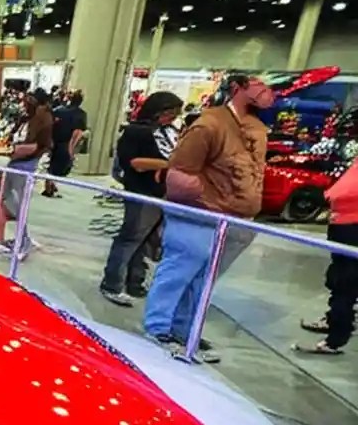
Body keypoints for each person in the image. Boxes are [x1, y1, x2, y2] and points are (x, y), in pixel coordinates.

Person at [143, 74, 273, 363]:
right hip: (201, 216)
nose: (266, 94)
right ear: (238, 89)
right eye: (259, 87)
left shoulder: (256, 129)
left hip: (235, 219)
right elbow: (180, 174)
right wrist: (207, 197)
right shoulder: (209, 125)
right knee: (179, 272)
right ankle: (158, 327)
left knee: (203, 279)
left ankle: (184, 328)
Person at [99, 91, 184, 306]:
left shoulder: (168, 132)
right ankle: (112, 283)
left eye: (175, 113)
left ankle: (134, 281)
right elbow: (134, 163)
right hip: (141, 191)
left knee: (145, 241)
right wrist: (169, 165)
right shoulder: (136, 132)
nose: (172, 117)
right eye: (169, 112)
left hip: (160, 192)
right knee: (130, 238)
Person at [0, 88, 53, 257]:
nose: (25, 103)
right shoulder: (29, 119)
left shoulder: (42, 120)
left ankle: (21, 242)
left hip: (24, 165)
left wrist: (19, 150)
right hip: (16, 163)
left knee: (16, 205)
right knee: (4, 201)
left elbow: (39, 146)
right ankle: (4, 239)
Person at [296, 160, 358, 355]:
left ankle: (337, 336)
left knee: (345, 282)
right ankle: (335, 323)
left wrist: (328, 196)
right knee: (341, 280)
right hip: (343, 224)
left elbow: (344, 191)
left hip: (351, 227)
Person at [43, 90, 87, 197]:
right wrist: (72, 148)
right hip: (67, 142)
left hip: (55, 140)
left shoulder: (58, 110)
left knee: (53, 165)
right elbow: (77, 133)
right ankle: (49, 187)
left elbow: (50, 124)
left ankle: (50, 185)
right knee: (60, 167)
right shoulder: (81, 114)